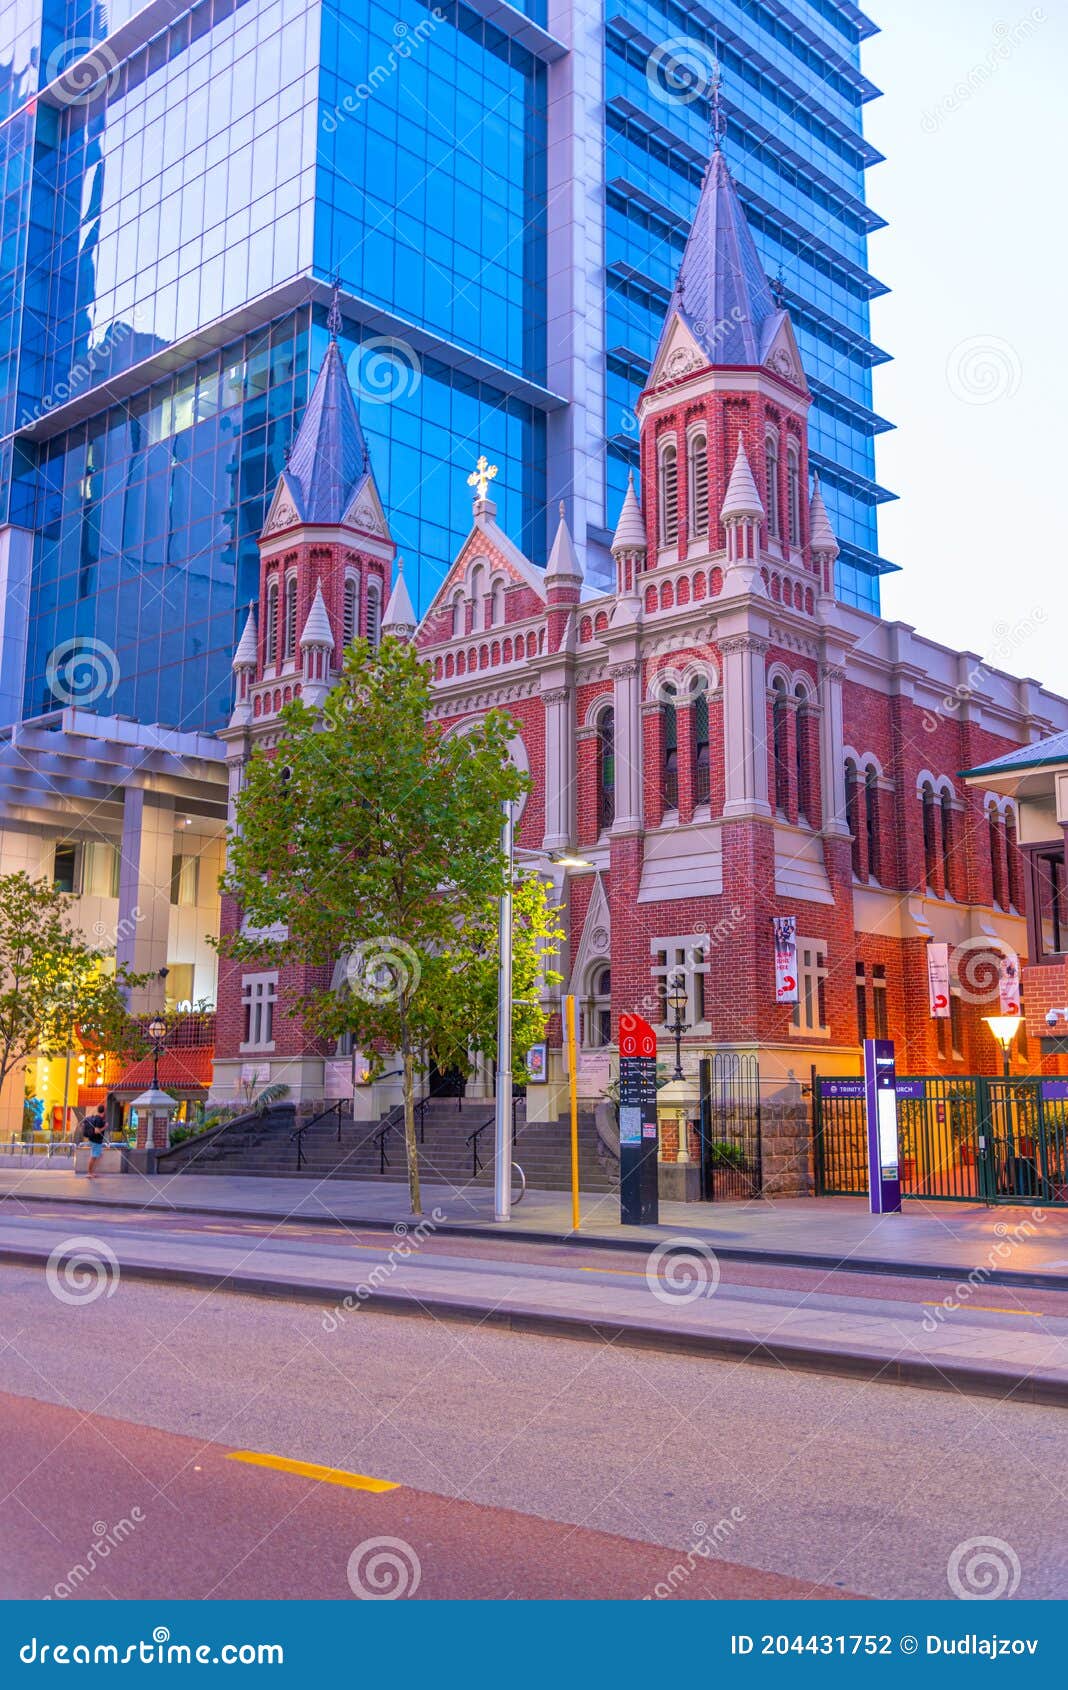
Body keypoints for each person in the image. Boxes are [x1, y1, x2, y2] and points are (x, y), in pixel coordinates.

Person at [80, 1108, 107, 1178]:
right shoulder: (99, 1120)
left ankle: (91, 1172)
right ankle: (89, 1173)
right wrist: (105, 1127)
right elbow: (96, 1131)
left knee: (98, 1156)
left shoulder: (96, 1118)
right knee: (93, 1157)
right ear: (103, 1112)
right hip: (96, 1141)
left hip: (94, 1140)